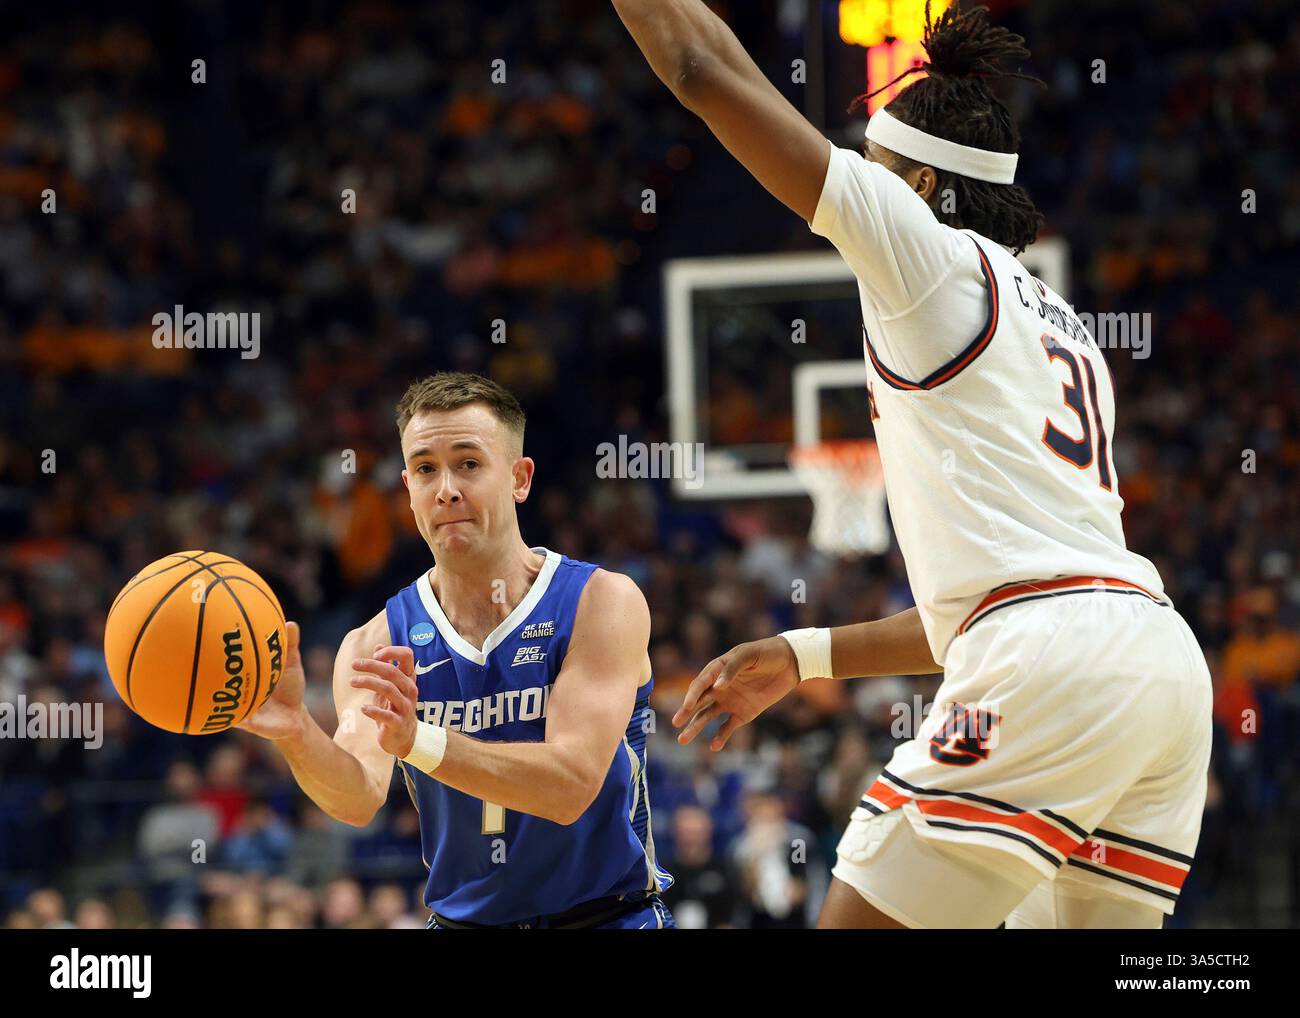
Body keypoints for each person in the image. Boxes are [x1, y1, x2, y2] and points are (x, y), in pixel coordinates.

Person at [614, 0, 1212, 928]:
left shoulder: (924, 256)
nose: (854, 190)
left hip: (1046, 659)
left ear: (920, 184)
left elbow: (699, 67)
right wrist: (804, 654)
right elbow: (987, 603)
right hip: (1156, 663)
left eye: (877, 170)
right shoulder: (1062, 327)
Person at [239, 372, 673, 929]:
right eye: (425, 469)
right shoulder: (376, 640)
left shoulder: (600, 601)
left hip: (607, 919)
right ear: (408, 489)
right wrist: (297, 732)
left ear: (519, 478)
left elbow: (570, 787)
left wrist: (417, 740)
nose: (445, 488)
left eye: (468, 463)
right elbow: (358, 796)